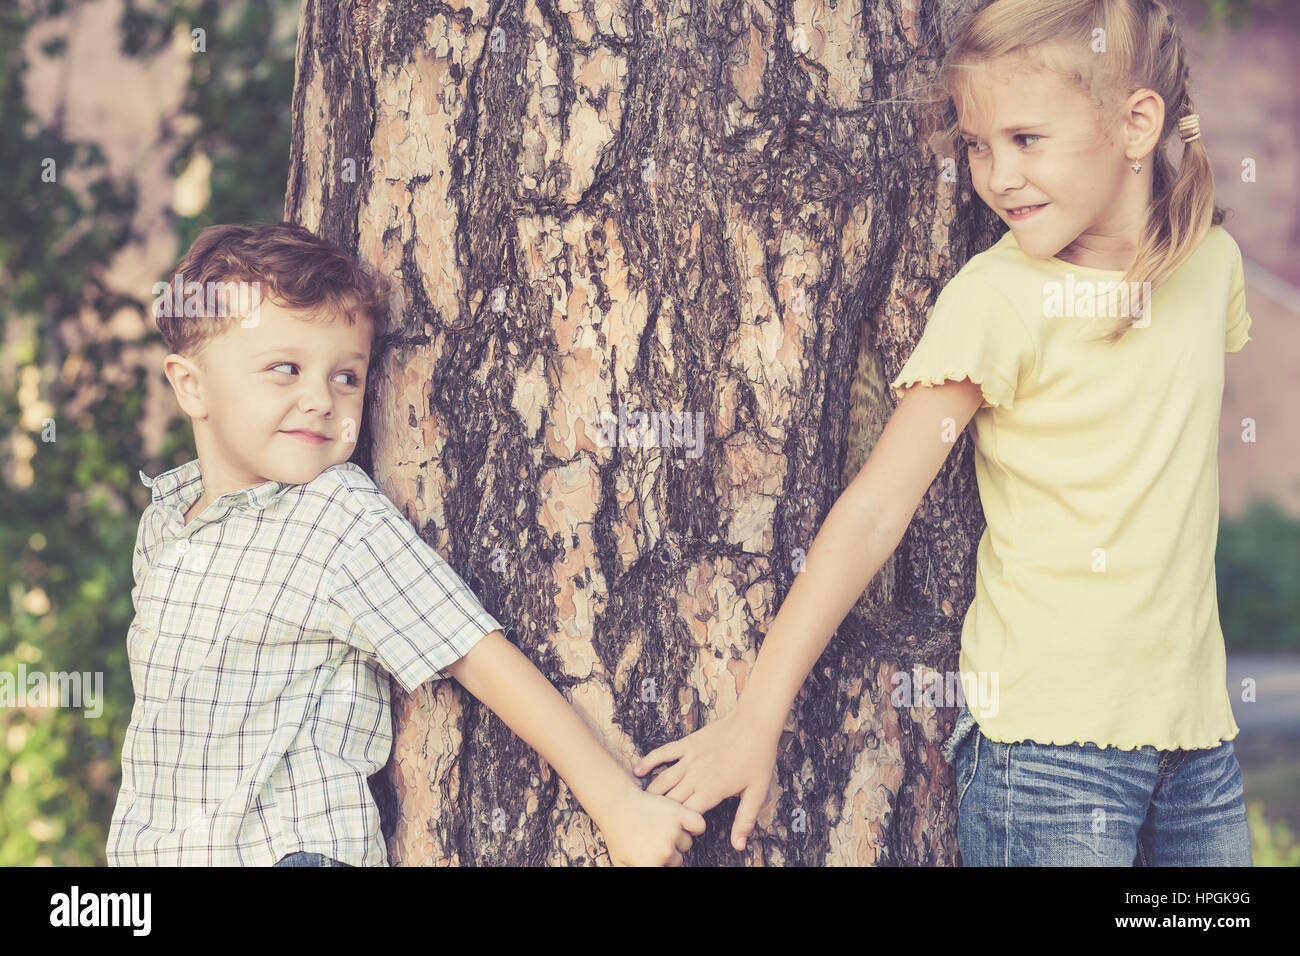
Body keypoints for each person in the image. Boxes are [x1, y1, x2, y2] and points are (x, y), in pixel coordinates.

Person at [634, 0, 1253, 866]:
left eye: (1027, 140)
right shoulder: (993, 301)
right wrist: (755, 717)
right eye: (976, 145)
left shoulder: (1209, 269)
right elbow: (876, 511)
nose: (996, 177)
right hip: (1048, 758)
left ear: (1136, 124)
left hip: (1196, 744)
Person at [108, 222, 704, 866]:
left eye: (347, 377)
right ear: (191, 385)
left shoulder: (334, 515)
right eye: (286, 369)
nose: (320, 400)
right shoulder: (165, 524)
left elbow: (474, 652)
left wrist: (618, 804)